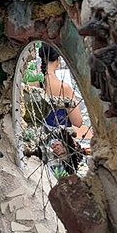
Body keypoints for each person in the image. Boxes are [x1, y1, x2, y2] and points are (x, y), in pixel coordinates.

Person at [38, 43, 91, 173]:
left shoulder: (32, 82)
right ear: (58, 59)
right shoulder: (64, 88)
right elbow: (77, 122)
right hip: (58, 144)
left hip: (38, 139)